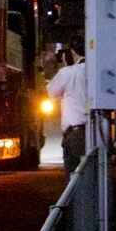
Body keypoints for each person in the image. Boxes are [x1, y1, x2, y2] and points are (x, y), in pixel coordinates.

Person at [46, 42, 88, 177]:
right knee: (92, 176)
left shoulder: (67, 72)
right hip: (96, 131)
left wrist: (66, 65)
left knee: (74, 177)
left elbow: (52, 92)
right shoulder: (95, 70)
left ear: (73, 52)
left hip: (75, 134)